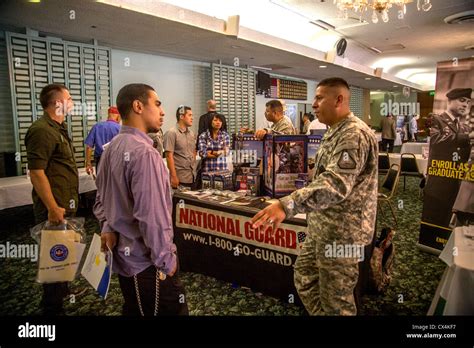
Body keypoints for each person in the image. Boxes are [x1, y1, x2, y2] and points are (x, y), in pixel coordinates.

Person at [251, 77, 378, 315]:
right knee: (305, 277)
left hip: (343, 235)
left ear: (339, 99)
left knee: (336, 300)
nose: (314, 104)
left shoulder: (353, 134)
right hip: (323, 227)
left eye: (319, 98)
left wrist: (286, 204)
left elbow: (335, 185)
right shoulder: (334, 131)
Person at [93, 83, 188, 316]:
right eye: (157, 104)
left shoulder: (111, 148)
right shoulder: (145, 154)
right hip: (148, 264)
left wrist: (107, 225)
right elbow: (151, 217)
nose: (163, 111)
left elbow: (100, 200)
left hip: (127, 261)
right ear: (138, 106)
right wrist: (167, 261)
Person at [25, 84, 78, 315]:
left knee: (64, 253)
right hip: (54, 207)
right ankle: (51, 308)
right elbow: (36, 172)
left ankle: (63, 291)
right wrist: (52, 207)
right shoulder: (42, 130)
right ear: (57, 103)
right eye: (68, 97)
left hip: (64, 205)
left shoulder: (58, 127)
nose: (72, 101)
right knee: (54, 257)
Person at [422, 88, 472, 228]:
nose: (465, 105)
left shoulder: (464, 127)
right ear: (449, 101)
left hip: (457, 183)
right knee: (433, 221)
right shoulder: (436, 120)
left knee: (448, 223)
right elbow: (436, 141)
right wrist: (467, 137)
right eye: (461, 100)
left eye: (467, 102)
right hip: (439, 182)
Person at [163, 106, 196, 188]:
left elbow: (193, 151)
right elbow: (168, 156)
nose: (192, 118)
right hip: (180, 178)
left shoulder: (191, 133)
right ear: (181, 116)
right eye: (189, 115)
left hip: (192, 176)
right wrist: (173, 177)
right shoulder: (171, 133)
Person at [84, 106, 121, 175]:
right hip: (115, 161)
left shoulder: (97, 126)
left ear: (108, 115)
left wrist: (88, 163)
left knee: (101, 183)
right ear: (118, 117)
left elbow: (89, 147)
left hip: (100, 160)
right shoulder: (120, 129)